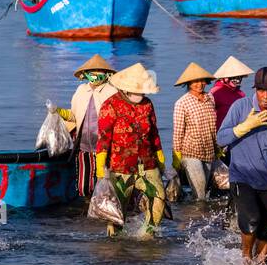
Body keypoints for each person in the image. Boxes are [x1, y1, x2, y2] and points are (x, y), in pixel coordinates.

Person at [216, 66, 267, 265]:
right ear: (255, 89)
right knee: (251, 220)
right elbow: (220, 139)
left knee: (263, 230)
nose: (265, 96)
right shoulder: (240, 107)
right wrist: (245, 126)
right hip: (241, 176)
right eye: (261, 90)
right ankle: (245, 260)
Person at [95, 63, 166, 239]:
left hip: (147, 162)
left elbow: (154, 133)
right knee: (117, 208)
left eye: (143, 92)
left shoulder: (147, 105)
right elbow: (104, 138)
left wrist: (160, 155)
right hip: (120, 166)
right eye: (138, 91)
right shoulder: (110, 105)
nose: (141, 95)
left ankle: (148, 236)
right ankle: (115, 241)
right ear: (126, 89)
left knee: (159, 198)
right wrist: (100, 165)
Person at [57, 54, 117, 198]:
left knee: (105, 182)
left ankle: (104, 209)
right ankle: (87, 207)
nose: (95, 74)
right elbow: (74, 115)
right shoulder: (81, 91)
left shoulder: (112, 92)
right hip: (83, 145)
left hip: (105, 146)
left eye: (99, 71)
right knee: (84, 185)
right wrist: (58, 112)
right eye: (92, 71)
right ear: (85, 74)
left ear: (107, 74)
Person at [171, 62, 218, 201]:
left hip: (209, 151)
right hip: (190, 152)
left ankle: (196, 215)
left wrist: (217, 147)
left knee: (205, 189)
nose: (200, 84)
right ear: (189, 83)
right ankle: (196, 218)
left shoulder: (210, 98)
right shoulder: (182, 103)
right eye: (196, 81)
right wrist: (176, 154)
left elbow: (213, 126)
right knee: (200, 190)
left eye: (202, 80)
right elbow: (178, 131)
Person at [211, 55, 254, 128]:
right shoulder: (215, 92)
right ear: (225, 78)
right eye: (234, 77)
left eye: (239, 77)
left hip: (237, 131)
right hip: (220, 132)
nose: (237, 80)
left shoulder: (241, 94)